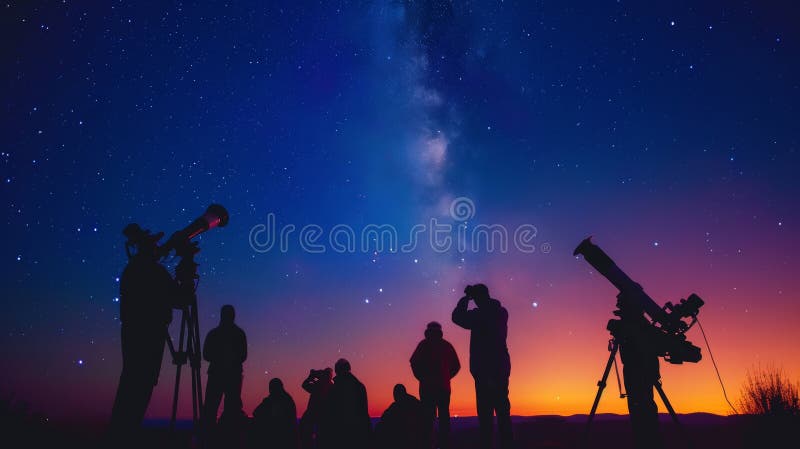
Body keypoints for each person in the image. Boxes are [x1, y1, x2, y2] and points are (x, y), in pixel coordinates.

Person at [109, 224, 181, 445]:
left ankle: (119, 437)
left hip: (134, 333)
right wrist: (186, 272)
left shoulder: (133, 269)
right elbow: (180, 299)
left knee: (131, 385)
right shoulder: (152, 271)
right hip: (149, 334)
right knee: (140, 386)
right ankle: (122, 439)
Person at [452, 284, 512, 449]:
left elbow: (457, 317)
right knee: (503, 413)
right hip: (500, 368)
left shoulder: (479, 315)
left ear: (478, 298)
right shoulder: (501, 312)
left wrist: (466, 299)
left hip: (485, 370)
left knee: (486, 417)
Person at [614, 292, 664, 449]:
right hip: (640, 373)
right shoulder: (641, 325)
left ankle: (647, 442)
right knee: (643, 411)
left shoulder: (638, 326)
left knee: (643, 413)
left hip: (638, 374)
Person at [410, 321, 460, 449]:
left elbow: (413, 363)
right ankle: (443, 443)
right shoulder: (445, 345)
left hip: (429, 388)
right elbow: (456, 366)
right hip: (442, 388)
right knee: (442, 418)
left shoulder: (424, 345)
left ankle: (431, 443)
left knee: (429, 419)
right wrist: (446, 377)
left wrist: (421, 377)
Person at [202, 304, 248, 432]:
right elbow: (243, 355)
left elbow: (206, 354)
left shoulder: (214, 334)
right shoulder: (239, 334)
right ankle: (225, 435)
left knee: (216, 408)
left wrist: (219, 358)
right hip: (230, 375)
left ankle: (212, 435)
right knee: (222, 409)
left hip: (219, 374)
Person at [325, 358, 371, 449]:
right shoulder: (360, 386)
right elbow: (364, 412)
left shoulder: (335, 389)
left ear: (338, 371)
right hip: (358, 435)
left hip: (340, 436)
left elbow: (331, 413)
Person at [374, 384, 428, 449]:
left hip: (408, 438)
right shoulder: (413, 402)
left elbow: (384, 418)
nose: (394, 397)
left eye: (395, 394)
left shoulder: (398, 405)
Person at [251, 378, 298, 449]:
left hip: (281, 437)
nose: (270, 391)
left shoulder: (278, 400)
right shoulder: (286, 399)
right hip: (286, 437)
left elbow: (276, 419)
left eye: (271, 388)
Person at [299, 367, 333, 449]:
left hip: (313, 414)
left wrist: (310, 378)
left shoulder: (318, 385)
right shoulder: (331, 386)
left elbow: (304, 385)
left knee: (308, 435)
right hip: (324, 416)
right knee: (321, 439)